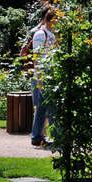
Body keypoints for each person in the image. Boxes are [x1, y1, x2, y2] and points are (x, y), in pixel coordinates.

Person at [20, 8, 58, 146]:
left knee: (42, 108)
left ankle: (36, 136)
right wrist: (40, 79)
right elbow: (37, 57)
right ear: (48, 21)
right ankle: (57, 136)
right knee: (53, 107)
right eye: (55, 21)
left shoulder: (51, 35)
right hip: (42, 77)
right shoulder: (40, 35)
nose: (57, 24)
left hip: (48, 75)